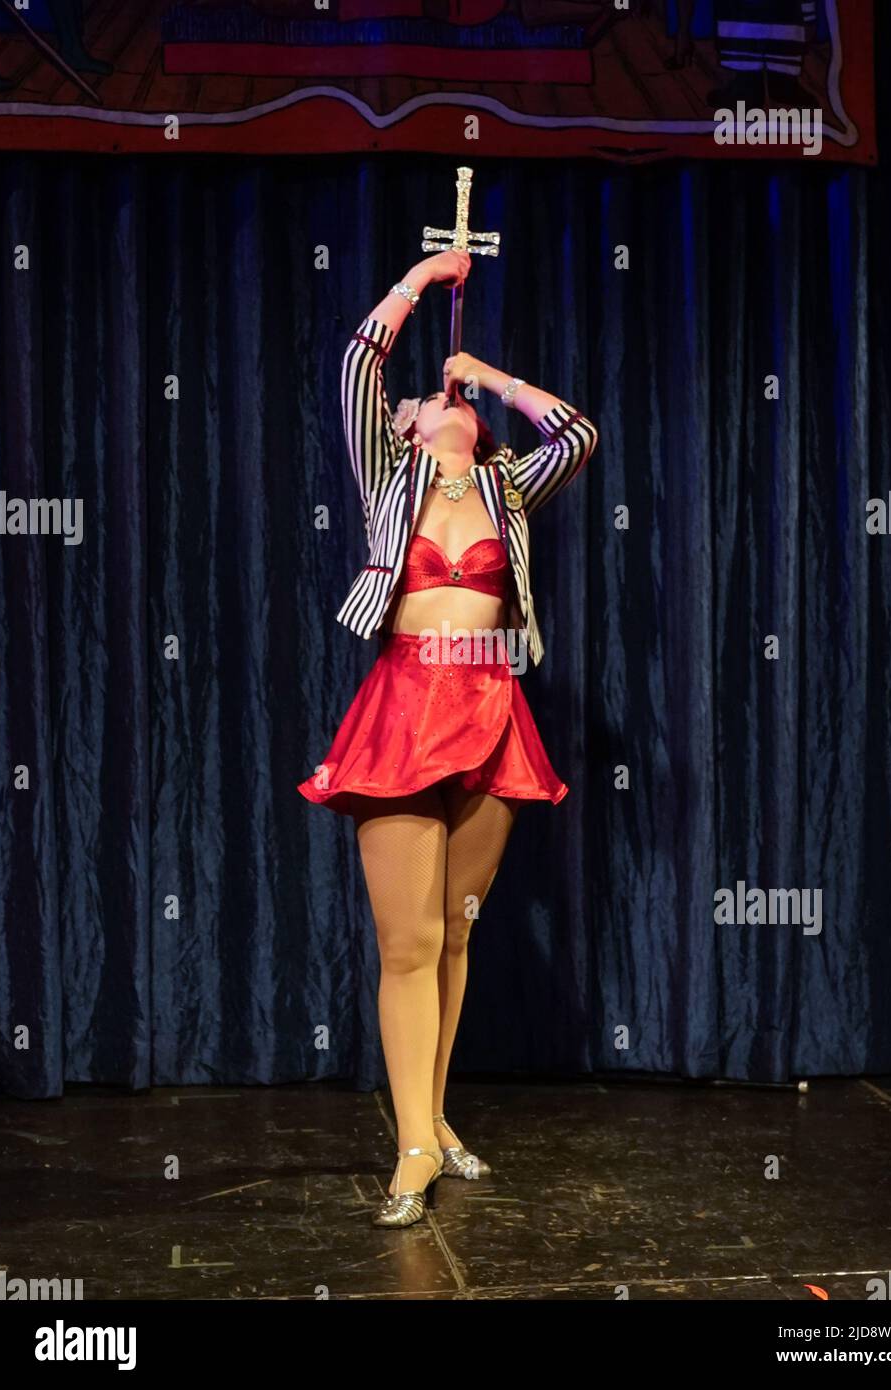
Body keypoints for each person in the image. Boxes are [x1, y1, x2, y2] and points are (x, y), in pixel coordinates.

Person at [298, 248, 598, 1227]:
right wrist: (423, 280)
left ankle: (433, 1115)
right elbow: (354, 364)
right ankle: (415, 1144)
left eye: (452, 394)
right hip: (403, 711)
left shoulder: (509, 488)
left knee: (458, 929)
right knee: (411, 939)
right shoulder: (391, 471)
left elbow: (579, 435)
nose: (443, 395)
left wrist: (495, 379)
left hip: (490, 712)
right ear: (406, 427)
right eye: (430, 396)